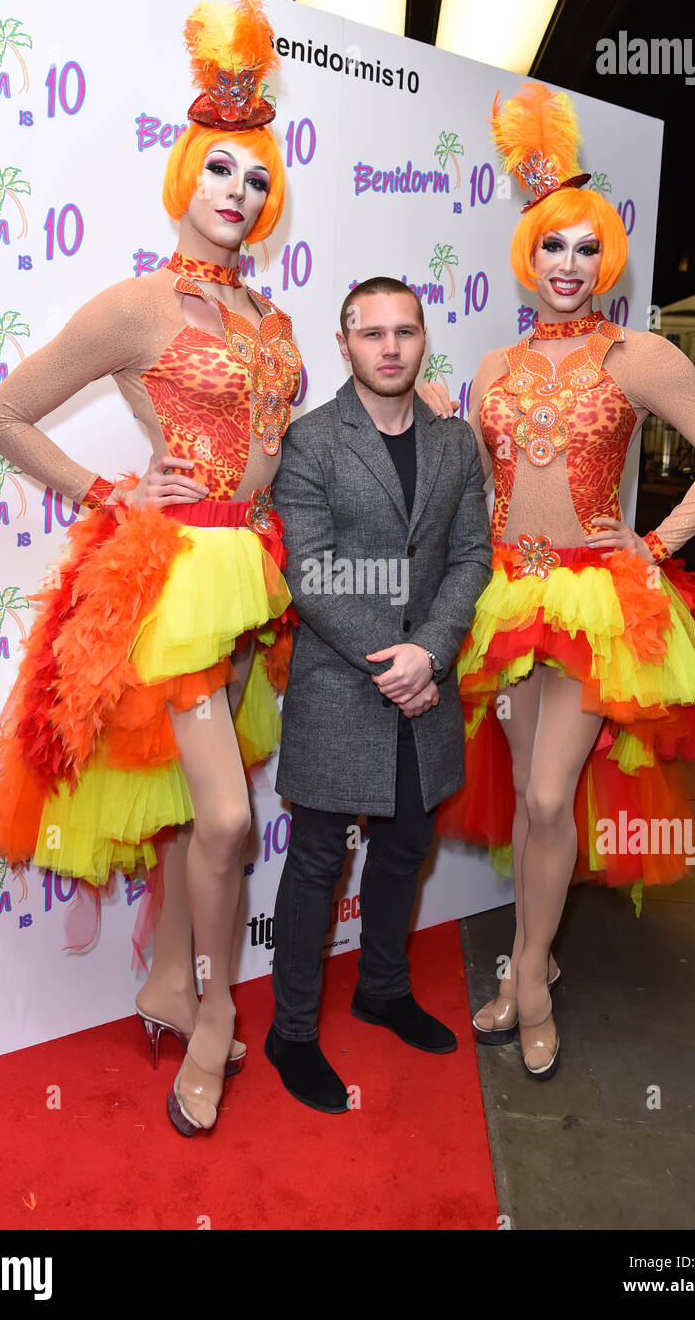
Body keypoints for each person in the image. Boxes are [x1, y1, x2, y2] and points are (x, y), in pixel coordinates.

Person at [0, 0, 303, 1135]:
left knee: (193, 808)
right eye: (221, 171)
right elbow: (3, 416)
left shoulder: (272, 318)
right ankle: (210, 1019)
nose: (238, 195)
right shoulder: (137, 303)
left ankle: (163, 976)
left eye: (256, 178)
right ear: (185, 178)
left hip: (254, 574)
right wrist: (109, 489)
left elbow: (282, 450)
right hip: (174, 582)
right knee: (224, 822)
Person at [422, 82, 695, 1081]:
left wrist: (652, 544)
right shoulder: (494, 364)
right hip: (508, 601)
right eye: (550, 245)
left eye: (586, 248)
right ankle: (541, 957)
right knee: (529, 797)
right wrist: (442, 426)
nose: (568, 265)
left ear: (608, 258)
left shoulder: (636, 353)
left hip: (592, 599)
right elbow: (485, 482)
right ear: (527, 254)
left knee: (551, 794)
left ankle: (525, 979)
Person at [264, 278, 492, 1113]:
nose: (390, 347)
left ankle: (382, 989)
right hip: (339, 683)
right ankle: (290, 1034)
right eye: (372, 334)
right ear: (344, 343)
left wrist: (427, 653)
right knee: (319, 863)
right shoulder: (312, 441)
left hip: (427, 685)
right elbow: (309, 571)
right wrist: (389, 660)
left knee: (404, 850)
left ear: (423, 338)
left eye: (405, 331)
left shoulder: (456, 442)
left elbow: (471, 557)